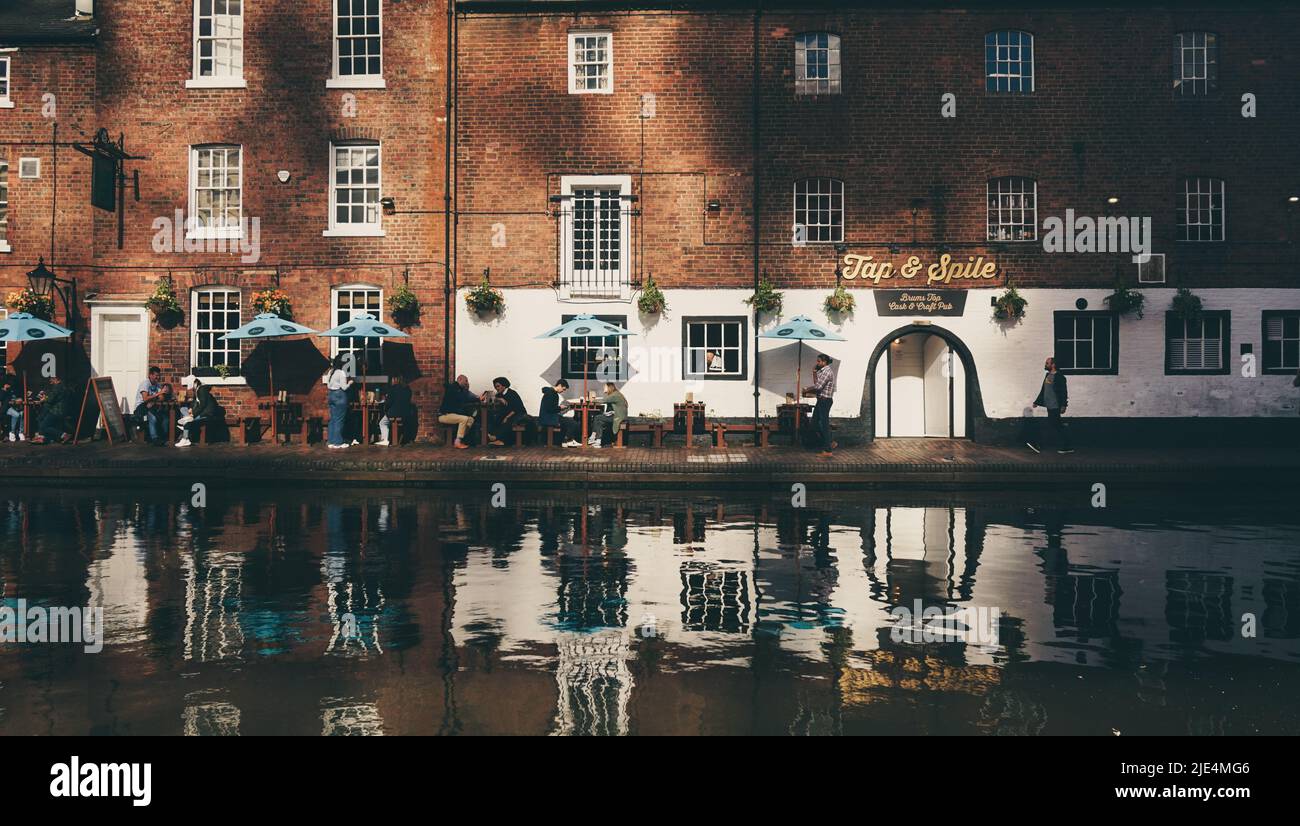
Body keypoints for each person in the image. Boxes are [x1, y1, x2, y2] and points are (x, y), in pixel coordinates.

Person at [1028, 356, 1073, 454]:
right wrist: (1037, 402)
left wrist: (1064, 405)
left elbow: (1063, 392)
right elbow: (1043, 390)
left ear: (1053, 365)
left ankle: (1039, 445)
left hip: (1055, 405)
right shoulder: (1047, 375)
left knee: (1051, 425)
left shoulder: (1060, 377)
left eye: (1047, 363)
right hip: (1049, 405)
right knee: (1057, 426)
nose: (1045, 364)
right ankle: (1068, 445)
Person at [801, 352, 837, 458]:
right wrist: (814, 372)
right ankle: (829, 442)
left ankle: (828, 450)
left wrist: (806, 389)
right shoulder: (822, 371)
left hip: (825, 401)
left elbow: (818, 387)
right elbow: (817, 383)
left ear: (824, 362)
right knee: (814, 424)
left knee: (823, 424)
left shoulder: (827, 372)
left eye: (819, 361)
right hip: (821, 400)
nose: (817, 363)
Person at [175, 378, 222, 447]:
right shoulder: (198, 390)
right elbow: (196, 403)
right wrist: (191, 409)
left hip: (207, 414)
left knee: (188, 421)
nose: (192, 388)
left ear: (195, 383)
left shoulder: (201, 390)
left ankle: (185, 438)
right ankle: (185, 427)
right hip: (202, 413)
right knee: (183, 409)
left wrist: (193, 414)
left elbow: (202, 405)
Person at [438, 374, 479, 449]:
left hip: (452, 415)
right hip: (444, 415)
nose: (467, 383)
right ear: (460, 379)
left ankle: (459, 439)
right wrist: (476, 398)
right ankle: (457, 442)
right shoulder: (454, 388)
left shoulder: (459, 389)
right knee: (464, 419)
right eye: (466, 381)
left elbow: (465, 398)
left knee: (471, 419)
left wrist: (477, 398)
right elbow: (463, 398)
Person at [31, 375, 72, 444]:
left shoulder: (57, 387)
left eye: (51, 379)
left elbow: (50, 399)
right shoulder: (64, 387)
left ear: (55, 379)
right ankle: (44, 438)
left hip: (56, 411)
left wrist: (44, 398)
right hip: (62, 410)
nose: (50, 381)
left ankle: (64, 435)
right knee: (46, 423)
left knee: (43, 426)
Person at [376, 375, 416, 446]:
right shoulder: (408, 389)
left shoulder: (393, 389)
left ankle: (385, 439)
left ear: (395, 380)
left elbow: (388, 403)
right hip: (406, 413)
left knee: (382, 423)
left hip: (394, 413)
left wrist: (385, 406)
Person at [539, 378, 580, 447]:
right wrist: (560, 407)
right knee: (573, 423)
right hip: (549, 418)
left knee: (566, 421)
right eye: (563, 389)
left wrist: (559, 408)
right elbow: (550, 409)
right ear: (560, 385)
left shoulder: (550, 392)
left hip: (547, 417)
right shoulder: (551, 394)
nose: (563, 391)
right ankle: (567, 440)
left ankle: (565, 441)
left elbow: (550, 407)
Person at [488, 376, 527, 446]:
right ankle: (494, 436)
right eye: (495, 387)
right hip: (509, 413)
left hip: (518, 413)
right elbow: (495, 397)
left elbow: (516, 408)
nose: (496, 388)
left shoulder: (512, 393)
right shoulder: (500, 394)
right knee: (496, 418)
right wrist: (500, 399)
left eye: (498, 386)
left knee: (508, 421)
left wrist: (507, 417)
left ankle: (499, 439)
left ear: (504, 385)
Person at [325, 356, 354, 449]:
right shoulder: (341, 373)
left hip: (331, 395)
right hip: (339, 395)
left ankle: (331, 441)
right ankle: (338, 442)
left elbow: (328, 385)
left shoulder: (331, 372)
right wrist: (350, 383)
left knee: (333, 419)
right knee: (339, 420)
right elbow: (344, 387)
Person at [134, 366, 167, 445]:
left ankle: (163, 436)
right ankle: (154, 438)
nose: (157, 377)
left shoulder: (157, 384)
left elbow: (161, 398)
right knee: (152, 417)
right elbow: (145, 399)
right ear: (150, 375)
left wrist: (160, 395)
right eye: (156, 375)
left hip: (150, 406)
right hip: (140, 407)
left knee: (164, 416)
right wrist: (159, 393)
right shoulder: (145, 383)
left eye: (159, 375)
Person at [592, 382, 628, 447]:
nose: (603, 388)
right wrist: (609, 412)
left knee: (597, 417)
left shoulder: (614, 395)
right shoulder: (615, 394)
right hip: (618, 415)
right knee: (600, 421)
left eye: (605, 387)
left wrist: (592, 399)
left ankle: (593, 436)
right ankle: (598, 441)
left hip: (618, 417)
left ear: (609, 388)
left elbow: (603, 400)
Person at [1, 374, 24, 442]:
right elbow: (1, 398)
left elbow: (16, 397)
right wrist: (4, 389)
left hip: (13, 407)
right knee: (16, 415)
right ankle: (12, 432)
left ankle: (21, 432)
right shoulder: (3, 390)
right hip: (5, 408)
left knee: (22, 413)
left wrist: (19, 399)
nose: (9, 385)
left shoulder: (12, 389)